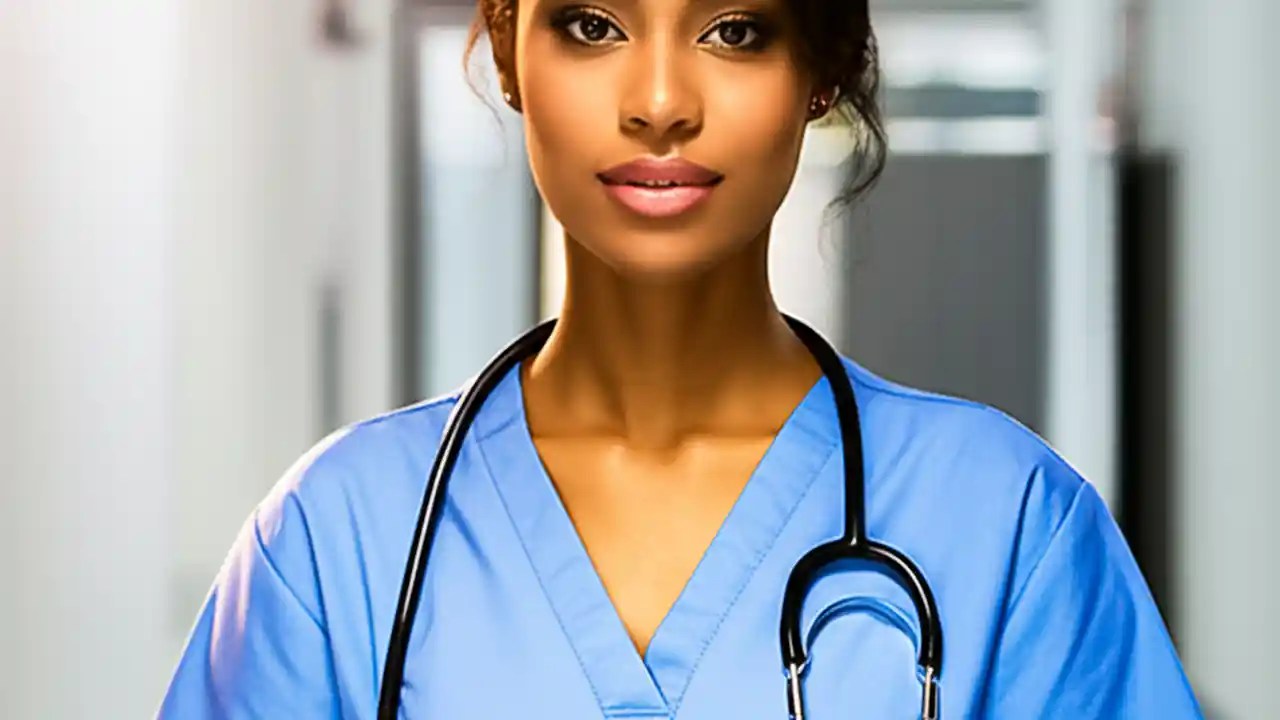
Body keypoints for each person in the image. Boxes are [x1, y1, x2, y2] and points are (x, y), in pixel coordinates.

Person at [158, 0, 1203, 717]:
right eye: (591, 24)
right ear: (509, 50)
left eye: (734, 30)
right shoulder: (338, 539)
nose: (659, 101)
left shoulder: (1005, 522)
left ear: (821, 68)